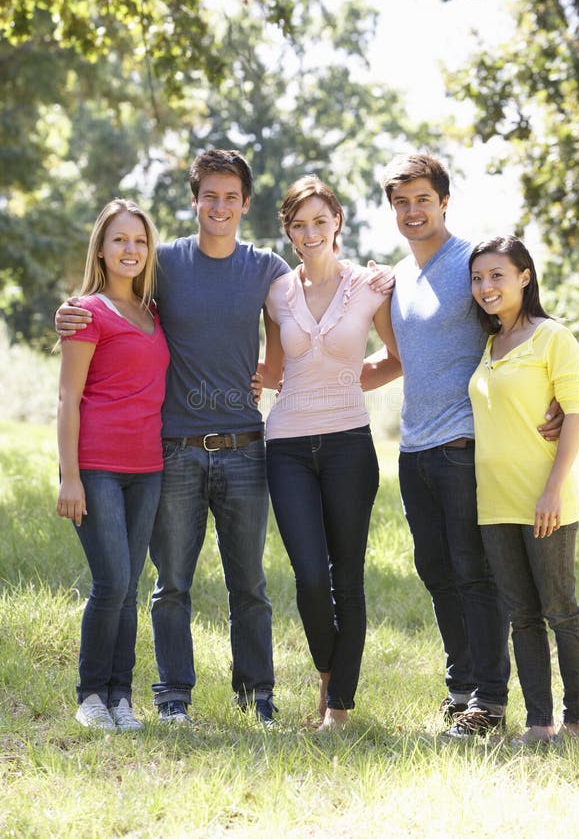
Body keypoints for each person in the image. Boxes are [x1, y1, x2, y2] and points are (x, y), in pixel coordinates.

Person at [56, 149, 392, 727]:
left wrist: (372, 278)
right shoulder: (161, 264)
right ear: (194, 201)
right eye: (208, 195)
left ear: (244, 204)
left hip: (246, 448)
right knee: (172, 585)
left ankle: (258, 696)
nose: (219, 206)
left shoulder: (265, 270)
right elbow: (115, 296)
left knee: (250, 586)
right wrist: (69, 313)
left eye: (230, 197)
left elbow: (320, 285)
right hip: (174, 451)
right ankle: (173, 698)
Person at [361, 151, 563, 737]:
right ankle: (461, 687)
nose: (412, 210)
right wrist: (311, 380)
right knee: (435, 571)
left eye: (423, 199)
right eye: (401, 201)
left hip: (465, 444)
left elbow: (522, 330)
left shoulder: (471, 264)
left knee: (474, 574)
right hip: (415, 448)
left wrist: (552, 397)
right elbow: (397, 360)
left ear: (444, 201)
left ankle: (490, 702)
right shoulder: (399, 277)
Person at [258, 176, 400, 730]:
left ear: (336, 221)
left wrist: (347, 383)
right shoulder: (276, 293)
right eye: (299, 224)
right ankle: (326, 671)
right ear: (288, 231)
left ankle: (338, 707)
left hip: (348, 444)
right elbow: (274, 369)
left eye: (320, 220)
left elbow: (396, 356)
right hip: (287, 444)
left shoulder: (369, 286)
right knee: (310, 577)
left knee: (349, 577)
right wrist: (241, 382)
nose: (310, 232)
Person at [469, 235, 579, 743]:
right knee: (522, 615)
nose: (486, 287)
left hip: (546, 499)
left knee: (560, 609)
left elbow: (576, 414)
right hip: (494, 502)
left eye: (497, 275)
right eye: (478, 278)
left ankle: (578, 721)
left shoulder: (551, 337)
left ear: (524, 276)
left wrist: (552, 491)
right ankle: (539, 723)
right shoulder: (489, 344)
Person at [56, 198, 170, 731]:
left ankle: (121, 696)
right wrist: (70, 476)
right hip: (97, 465)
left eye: (140, 241)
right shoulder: (86, 311)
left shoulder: (153, 312)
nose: (131, 249)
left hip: (147, 468)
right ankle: (90, 696)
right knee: (113, 582)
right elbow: (67, 399)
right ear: (101, 248)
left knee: (131, 584)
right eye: (120, 239)